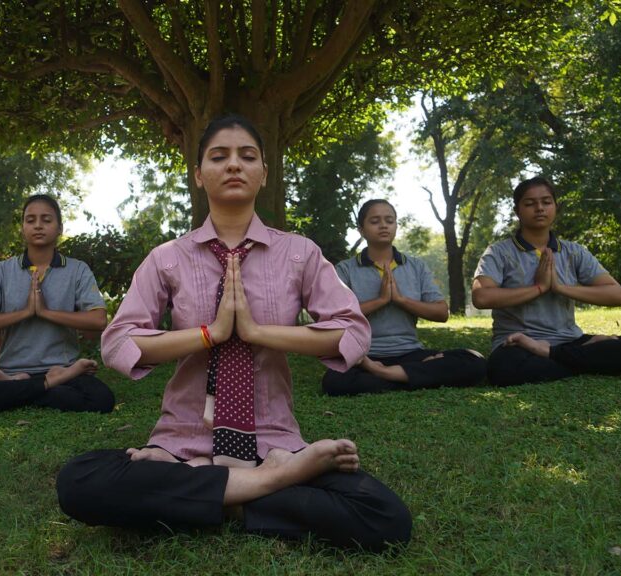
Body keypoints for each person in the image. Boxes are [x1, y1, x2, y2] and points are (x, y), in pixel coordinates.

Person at [55, 115, 412, 551]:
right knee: (79, 479)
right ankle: (268, 485)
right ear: (199, 174)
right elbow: (116, 343)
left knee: (384, 515)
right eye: (218, 156)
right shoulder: (168, 258)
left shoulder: (300, 253)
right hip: (182, 444)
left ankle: (214, 497)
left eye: (248, 156)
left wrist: (260, 332)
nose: (233, 165)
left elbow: (353, 333)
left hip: (274, 439)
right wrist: (211, 333)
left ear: (264, 174)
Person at [472, 176, 621, 387]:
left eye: (546, 202)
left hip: (570, 341)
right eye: (530, 204)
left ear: (555, 207)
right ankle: (584, 359)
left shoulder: (574, 252)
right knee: (503, 372)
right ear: (517, 211)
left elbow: (617, 295)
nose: (539, 208)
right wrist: (539, 288)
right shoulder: (499, 252)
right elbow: (482, 297)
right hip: (517, 344)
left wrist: (560, 288)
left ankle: (552, 353)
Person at [0, 194, 114, 416]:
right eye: (30, 220)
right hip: (13, 370)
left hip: (63, 370)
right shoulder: (2, 271)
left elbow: (98, 320)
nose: (38, 226)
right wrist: (25, 313)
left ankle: (20, 387)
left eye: (46, 220)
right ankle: (45, 384)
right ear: (23, 227)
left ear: (60, 228)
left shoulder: (77, 270)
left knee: (101, 399)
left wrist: (45, 312)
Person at [322, 199, 487, 395]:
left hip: (410, 353)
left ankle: (383, 374)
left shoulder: (416, 266)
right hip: (363, 356)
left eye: (389, 220)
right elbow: (335, 318)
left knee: (474, 361)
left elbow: (442, 313)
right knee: (334, 382)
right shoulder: (345, 269)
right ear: (361, 230)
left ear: (396, 225)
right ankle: (409, 378)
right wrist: (381, 301)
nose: (383, 225)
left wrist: (401, 300)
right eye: (375, 221)